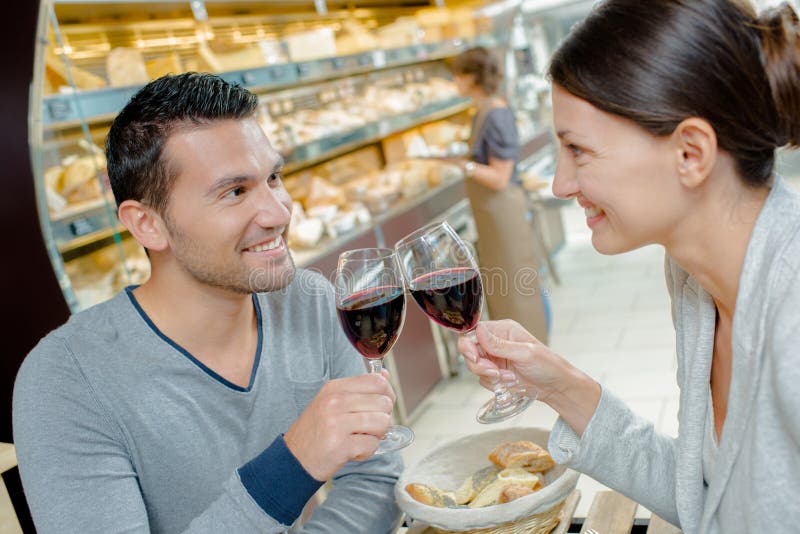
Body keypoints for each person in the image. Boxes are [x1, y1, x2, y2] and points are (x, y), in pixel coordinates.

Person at [459, 1, 800, 532]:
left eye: (579, 151)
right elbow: (707, 500)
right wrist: (557, 385)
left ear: (690, 152)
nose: (560, 184)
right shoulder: (693, 282)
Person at [13, 73, 402, 533]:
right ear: (146, 225)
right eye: (235, 192)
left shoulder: (309, 302)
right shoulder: (67, 381)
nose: (279, 212)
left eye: (273, 177)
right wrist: (291, 466)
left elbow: (376, 476)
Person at [449, 47, 549, 343]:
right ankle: (519, 352)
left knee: (521, 289)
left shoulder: (496, 115)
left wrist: (462, 165)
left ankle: (535, 350)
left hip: (505, 213)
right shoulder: (482, 112)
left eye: (457, 75)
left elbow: (500, 177)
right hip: (493, 217)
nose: (454, 82)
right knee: (506, 289)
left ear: (470, 78)